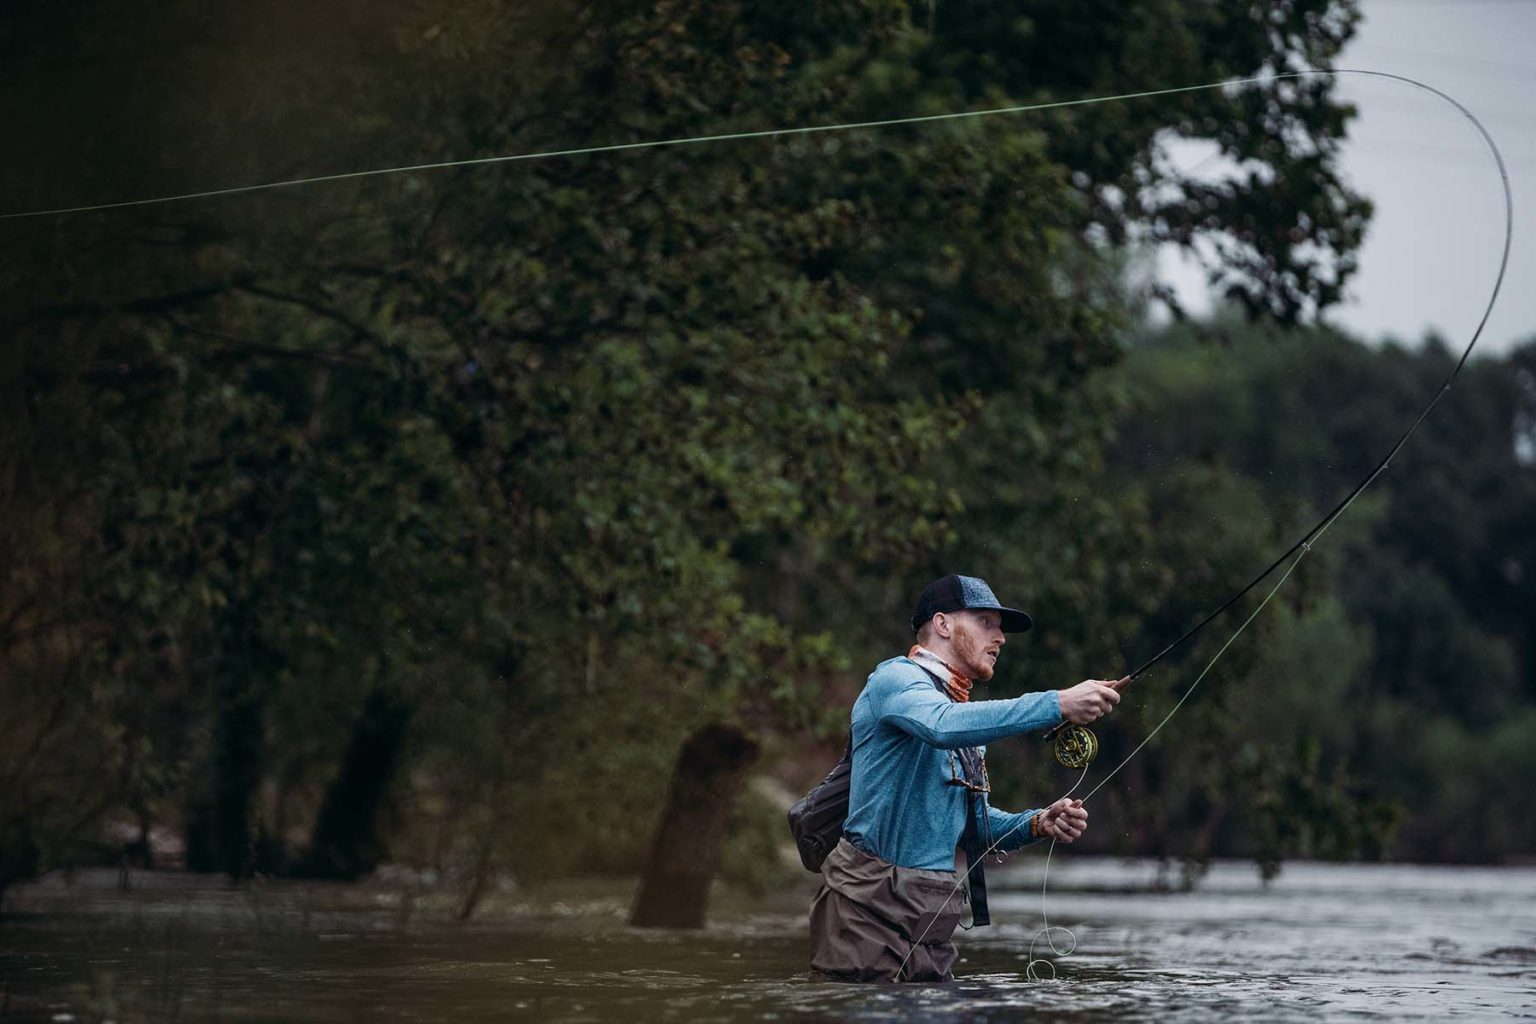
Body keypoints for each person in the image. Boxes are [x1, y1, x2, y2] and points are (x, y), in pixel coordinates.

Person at [807, 573, 1125, 983]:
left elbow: (970, 828)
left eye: (1000, 627)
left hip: (931, 925)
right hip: (866, 912)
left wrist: (1036, 823)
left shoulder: (963, 721)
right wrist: (1057, 703)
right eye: (985, 622)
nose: (1000, 638)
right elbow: (939, 726)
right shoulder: (896, 681)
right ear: (942, 624)